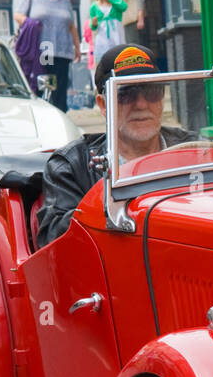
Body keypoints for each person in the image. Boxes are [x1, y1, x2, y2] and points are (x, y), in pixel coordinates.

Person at [35, 45, 195, 248]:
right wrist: (112, 201)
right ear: (103, 104)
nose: (141, 104)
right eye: (126, 94)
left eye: (152, 91)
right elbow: (54, 240)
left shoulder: (192, 149)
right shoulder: (71, 166)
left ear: (162, 98)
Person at [14, 0, 80, 111]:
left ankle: (60, 117)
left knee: (60, 90)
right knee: (46, 85)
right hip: (44, 50)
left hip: (62, 50)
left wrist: (77, 46)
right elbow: (18, 14)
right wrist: (30, 22)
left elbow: (71, 25)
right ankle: (46, 113)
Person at [89, 0, 126, 64]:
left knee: (118, 59)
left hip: (116, 37)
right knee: (104, 61)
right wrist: (93, 24)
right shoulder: (95, 6)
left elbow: (124, 6)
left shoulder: (116, 3)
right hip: (102, 39)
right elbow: (93, 27)